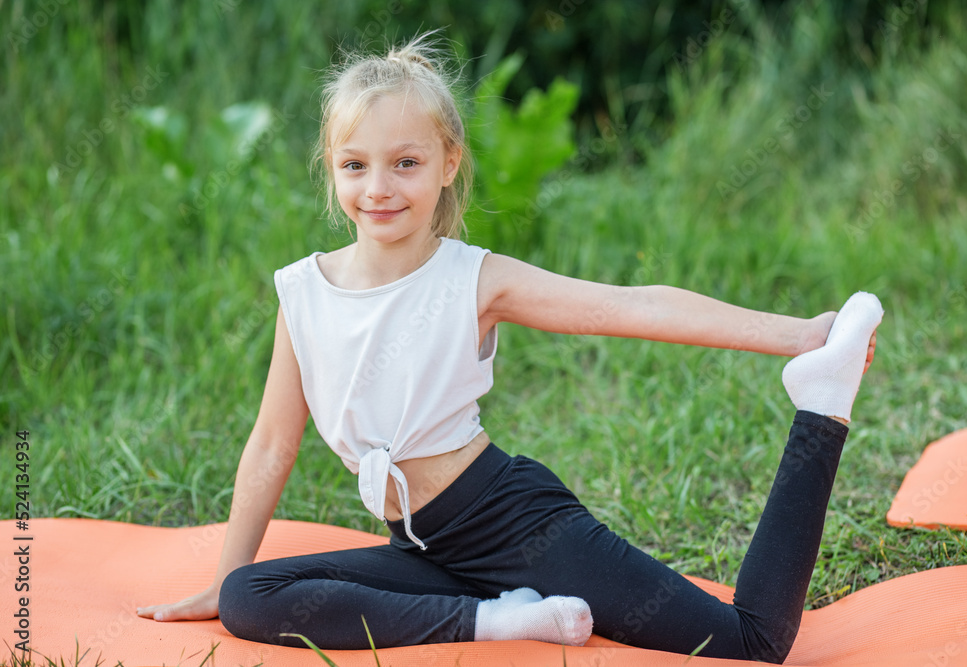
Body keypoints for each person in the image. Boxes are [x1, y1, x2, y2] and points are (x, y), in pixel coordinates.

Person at [137, 32, 882, 663]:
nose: (379, 188)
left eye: (406, 163)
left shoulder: (473, 279)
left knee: (749, 642)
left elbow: (631, 306)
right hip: (422, 553)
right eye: (355, 165)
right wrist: (222, 577)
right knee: (247, 595)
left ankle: (822, 404)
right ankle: (497, 619)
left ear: (448, 163)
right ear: (331, 168)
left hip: (516, 528)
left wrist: (800, 336)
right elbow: (272, 443)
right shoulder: (304, 292)